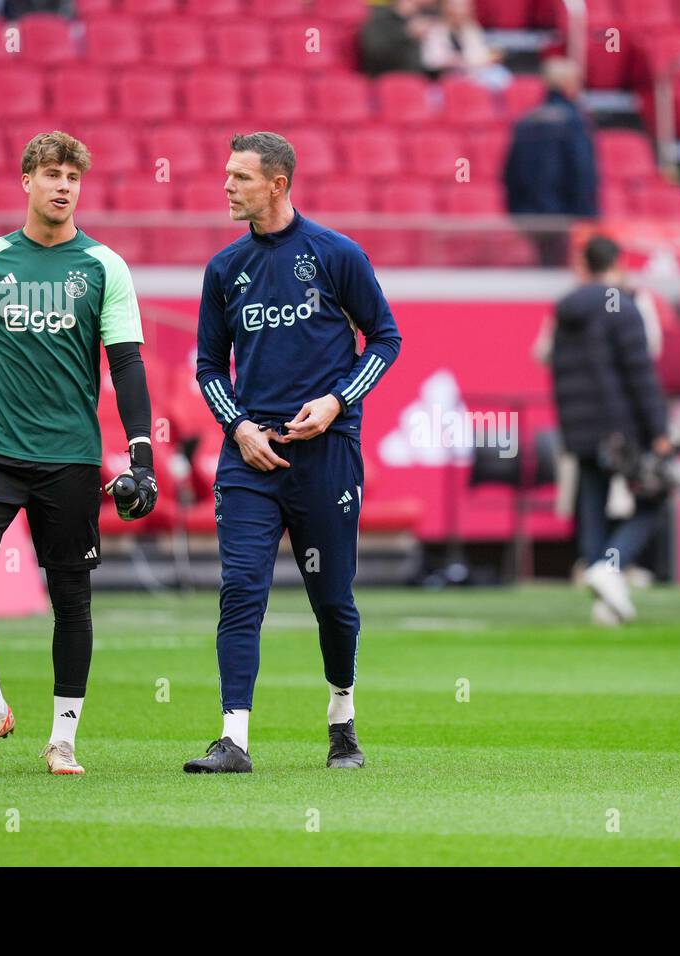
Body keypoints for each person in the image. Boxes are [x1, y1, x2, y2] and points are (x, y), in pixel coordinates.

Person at [0, 131, 156, 776]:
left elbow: (126, 363)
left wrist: (141, 454)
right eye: (51, 173)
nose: (63, 185)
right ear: (26, 181)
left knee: (72, 597)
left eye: (73, 175)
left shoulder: (105, 267)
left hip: (70, 457)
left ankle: (63, 736)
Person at [184, 132, 402, 774]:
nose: (227, 186)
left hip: (326, 455)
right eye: (226, 174)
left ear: (277, 184)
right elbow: (207, 367)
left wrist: (337, 402)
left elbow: (385, 340)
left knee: (332, 599)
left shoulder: (338, 255)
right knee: (241, 589)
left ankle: (342, 724)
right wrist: (239, 427)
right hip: (249, 458)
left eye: (240, 177)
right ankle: (234, 739)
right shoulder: (224, 269)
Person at [550, 236, 669, 625]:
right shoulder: (623, 306)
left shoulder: (567, 311)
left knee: (592, 506)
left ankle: (604, 598)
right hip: (619, 427)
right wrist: (657, 430)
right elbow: (640, 374)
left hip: (580, 427)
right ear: (618, 262)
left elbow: (558, 370)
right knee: (653, 498)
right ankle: (609, 566)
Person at [503, 57, 598, 267]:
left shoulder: (526, 121)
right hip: (567, 217)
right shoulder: (574, 122)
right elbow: (583, 172)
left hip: (530, 217)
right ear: (567, 84)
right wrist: (587, 214)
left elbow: (510, 174)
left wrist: (518, 211)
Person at [420, 0, 509, 88]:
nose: (459, 10)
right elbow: (432, 60)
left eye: (463, 6)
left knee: (499, 74)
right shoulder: (435, 30)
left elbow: (480, 58)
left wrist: (464, 62)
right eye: (455, 6)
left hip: (472, 77)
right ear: (445, 8)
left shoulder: (472, 29)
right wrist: (454, 62)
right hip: (443, 80)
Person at [359, 0, 434, 76]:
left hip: (422, 78)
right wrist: (407, 33)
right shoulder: (379, 18)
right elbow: (375, 52)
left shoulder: (425, 17)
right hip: (387, 78)